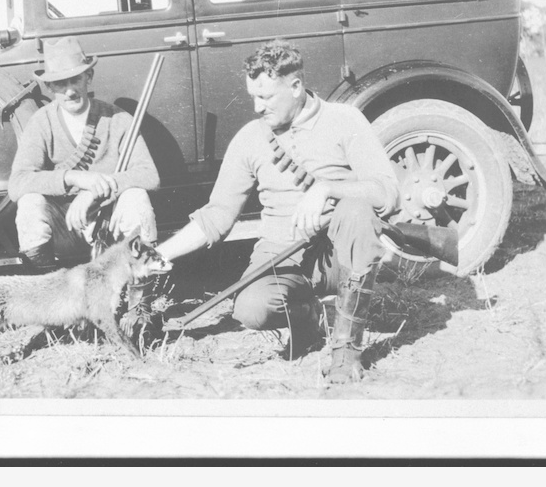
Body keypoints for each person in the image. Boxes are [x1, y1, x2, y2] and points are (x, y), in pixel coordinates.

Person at [155, 39, 399, 383]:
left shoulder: (345, 120)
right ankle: (308, 319)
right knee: (251, 310)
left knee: (357, 210)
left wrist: (327, 189)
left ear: (296, 87)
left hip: (339, 256)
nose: (256, 107)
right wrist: (157, 255)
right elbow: (218, 215)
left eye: (266, 97)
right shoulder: (250, 137)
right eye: (253, 96)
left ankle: (346, 351)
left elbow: (387, 193)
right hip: (281, 252)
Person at [7, 36, 160, 273]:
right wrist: (73, 178)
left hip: (110, 226)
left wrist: (92, 192)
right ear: (49, 87)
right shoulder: (42, 122)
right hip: (64, 227)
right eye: (59, 83)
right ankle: (49, 300)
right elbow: (17, 183)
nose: (69, 91)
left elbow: (149, 175)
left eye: (75, 79)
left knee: (137, 198)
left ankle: (139, 304)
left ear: (88, 77)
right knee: (29, 204)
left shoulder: (117, 119)